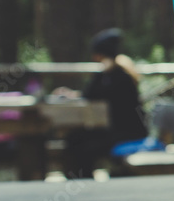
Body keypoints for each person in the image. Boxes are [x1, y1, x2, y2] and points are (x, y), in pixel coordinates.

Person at [60, 29, 149, 178]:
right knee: (75, 138)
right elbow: (89, 94)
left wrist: (105, 71)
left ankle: (84, 180)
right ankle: (79, 178)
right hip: (116, 130)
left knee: (86, 146)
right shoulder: (108, 76)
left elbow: (92, 95)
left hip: (129, 133)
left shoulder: (121, 77)